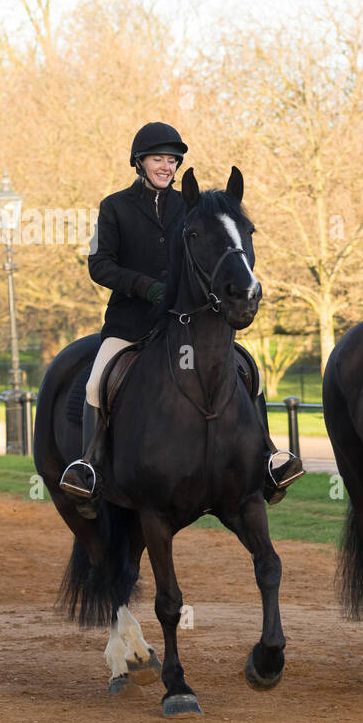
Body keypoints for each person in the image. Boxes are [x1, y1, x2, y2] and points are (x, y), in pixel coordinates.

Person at [59, 123, 300, 515]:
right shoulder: (114, 207)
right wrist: (145, 286)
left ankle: (268, 459)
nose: (166, 167)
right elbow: (99, 265)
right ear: (139, 162)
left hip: (185, 322)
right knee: (96, 381)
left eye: (172, 161)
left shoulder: (191, 208)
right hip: (131, 322)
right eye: (158, 159)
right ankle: (89, 468)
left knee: (247, 369)